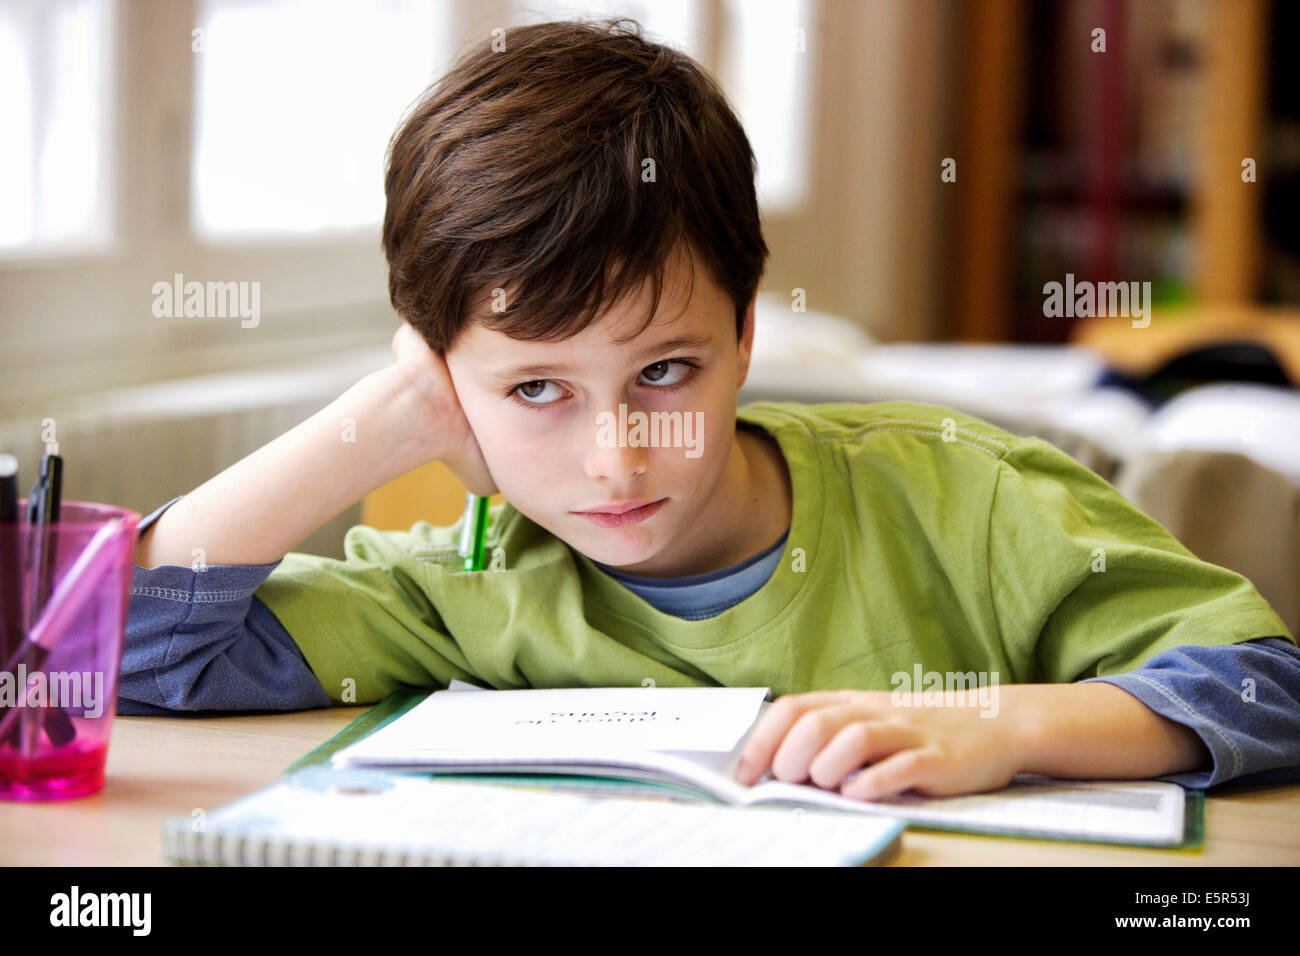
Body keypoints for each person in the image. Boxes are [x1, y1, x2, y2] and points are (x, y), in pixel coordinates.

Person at [120, 18, 1300, 799]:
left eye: (666, 371)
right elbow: (113, 652)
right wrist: (379, 421)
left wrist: (1004, 724)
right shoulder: (463, 586)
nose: (616, 455)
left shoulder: (971, 497)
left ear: (744, 334)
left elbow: (1265, 683)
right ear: (447, 384)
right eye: (535, 388)